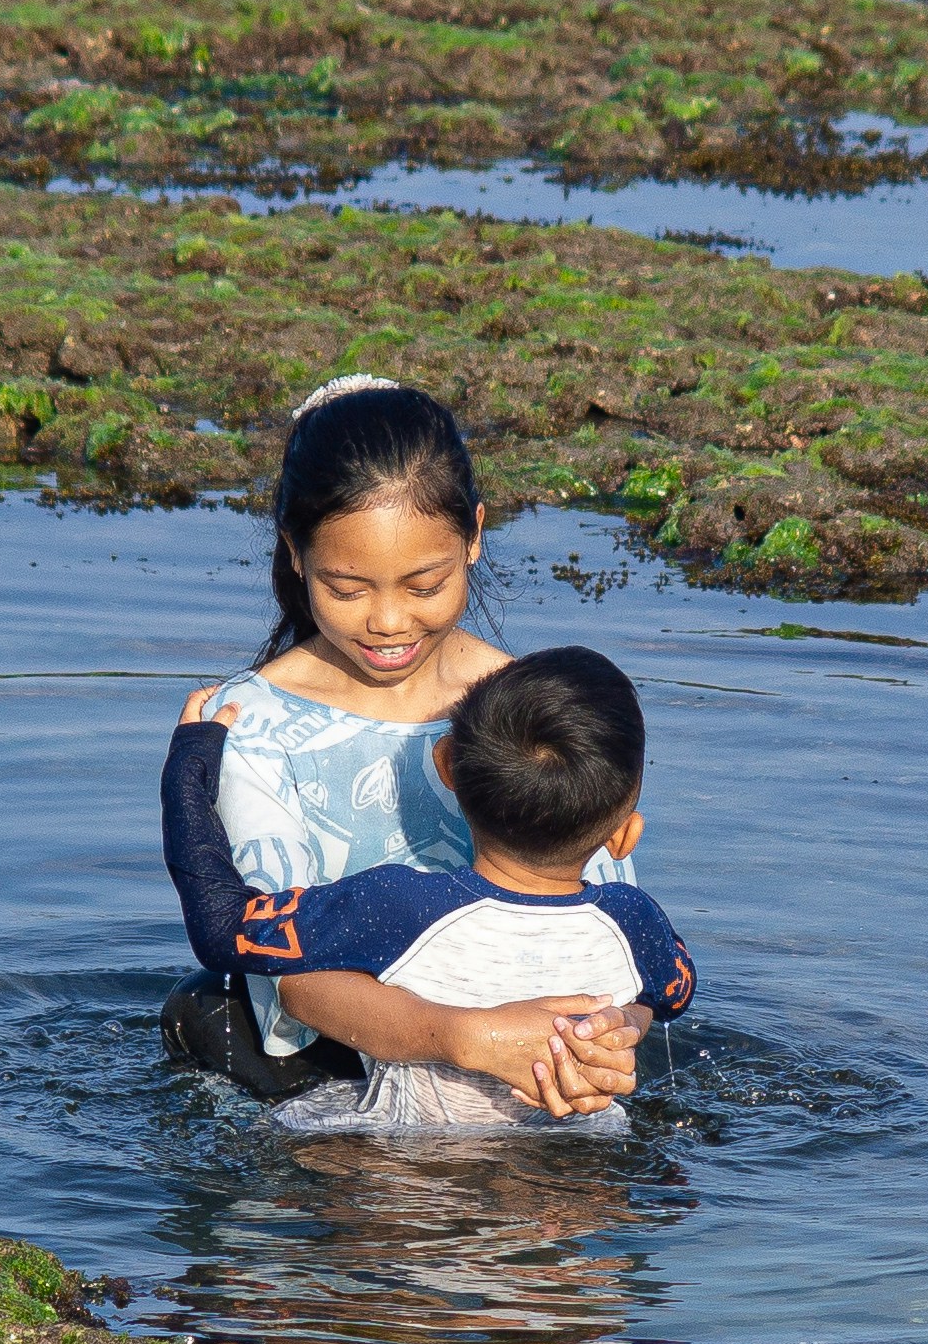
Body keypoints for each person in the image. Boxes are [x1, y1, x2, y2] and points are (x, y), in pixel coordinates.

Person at [154, 372, 648, 1118]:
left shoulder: (533, 711)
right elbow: (284, 971)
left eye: (424, 585)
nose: (388, 622)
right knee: (208, 1008)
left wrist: (606, 1045)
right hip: (353, 1054)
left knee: (195, 1010)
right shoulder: (248, 721)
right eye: (349, 590)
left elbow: (617, 926)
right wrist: (463, 1037)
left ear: (475, 535)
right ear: (296, 551)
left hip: (548, 1051)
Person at [165, 646, 694, 1134]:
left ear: (445, 764)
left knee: (211, 1017)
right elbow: (673, 993)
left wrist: (188, 774)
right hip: (581, 1170)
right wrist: (616, 1025)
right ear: (625, 836)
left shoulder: (399, 906)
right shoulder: (634, 920)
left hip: (408, 1174)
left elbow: (224, 931)